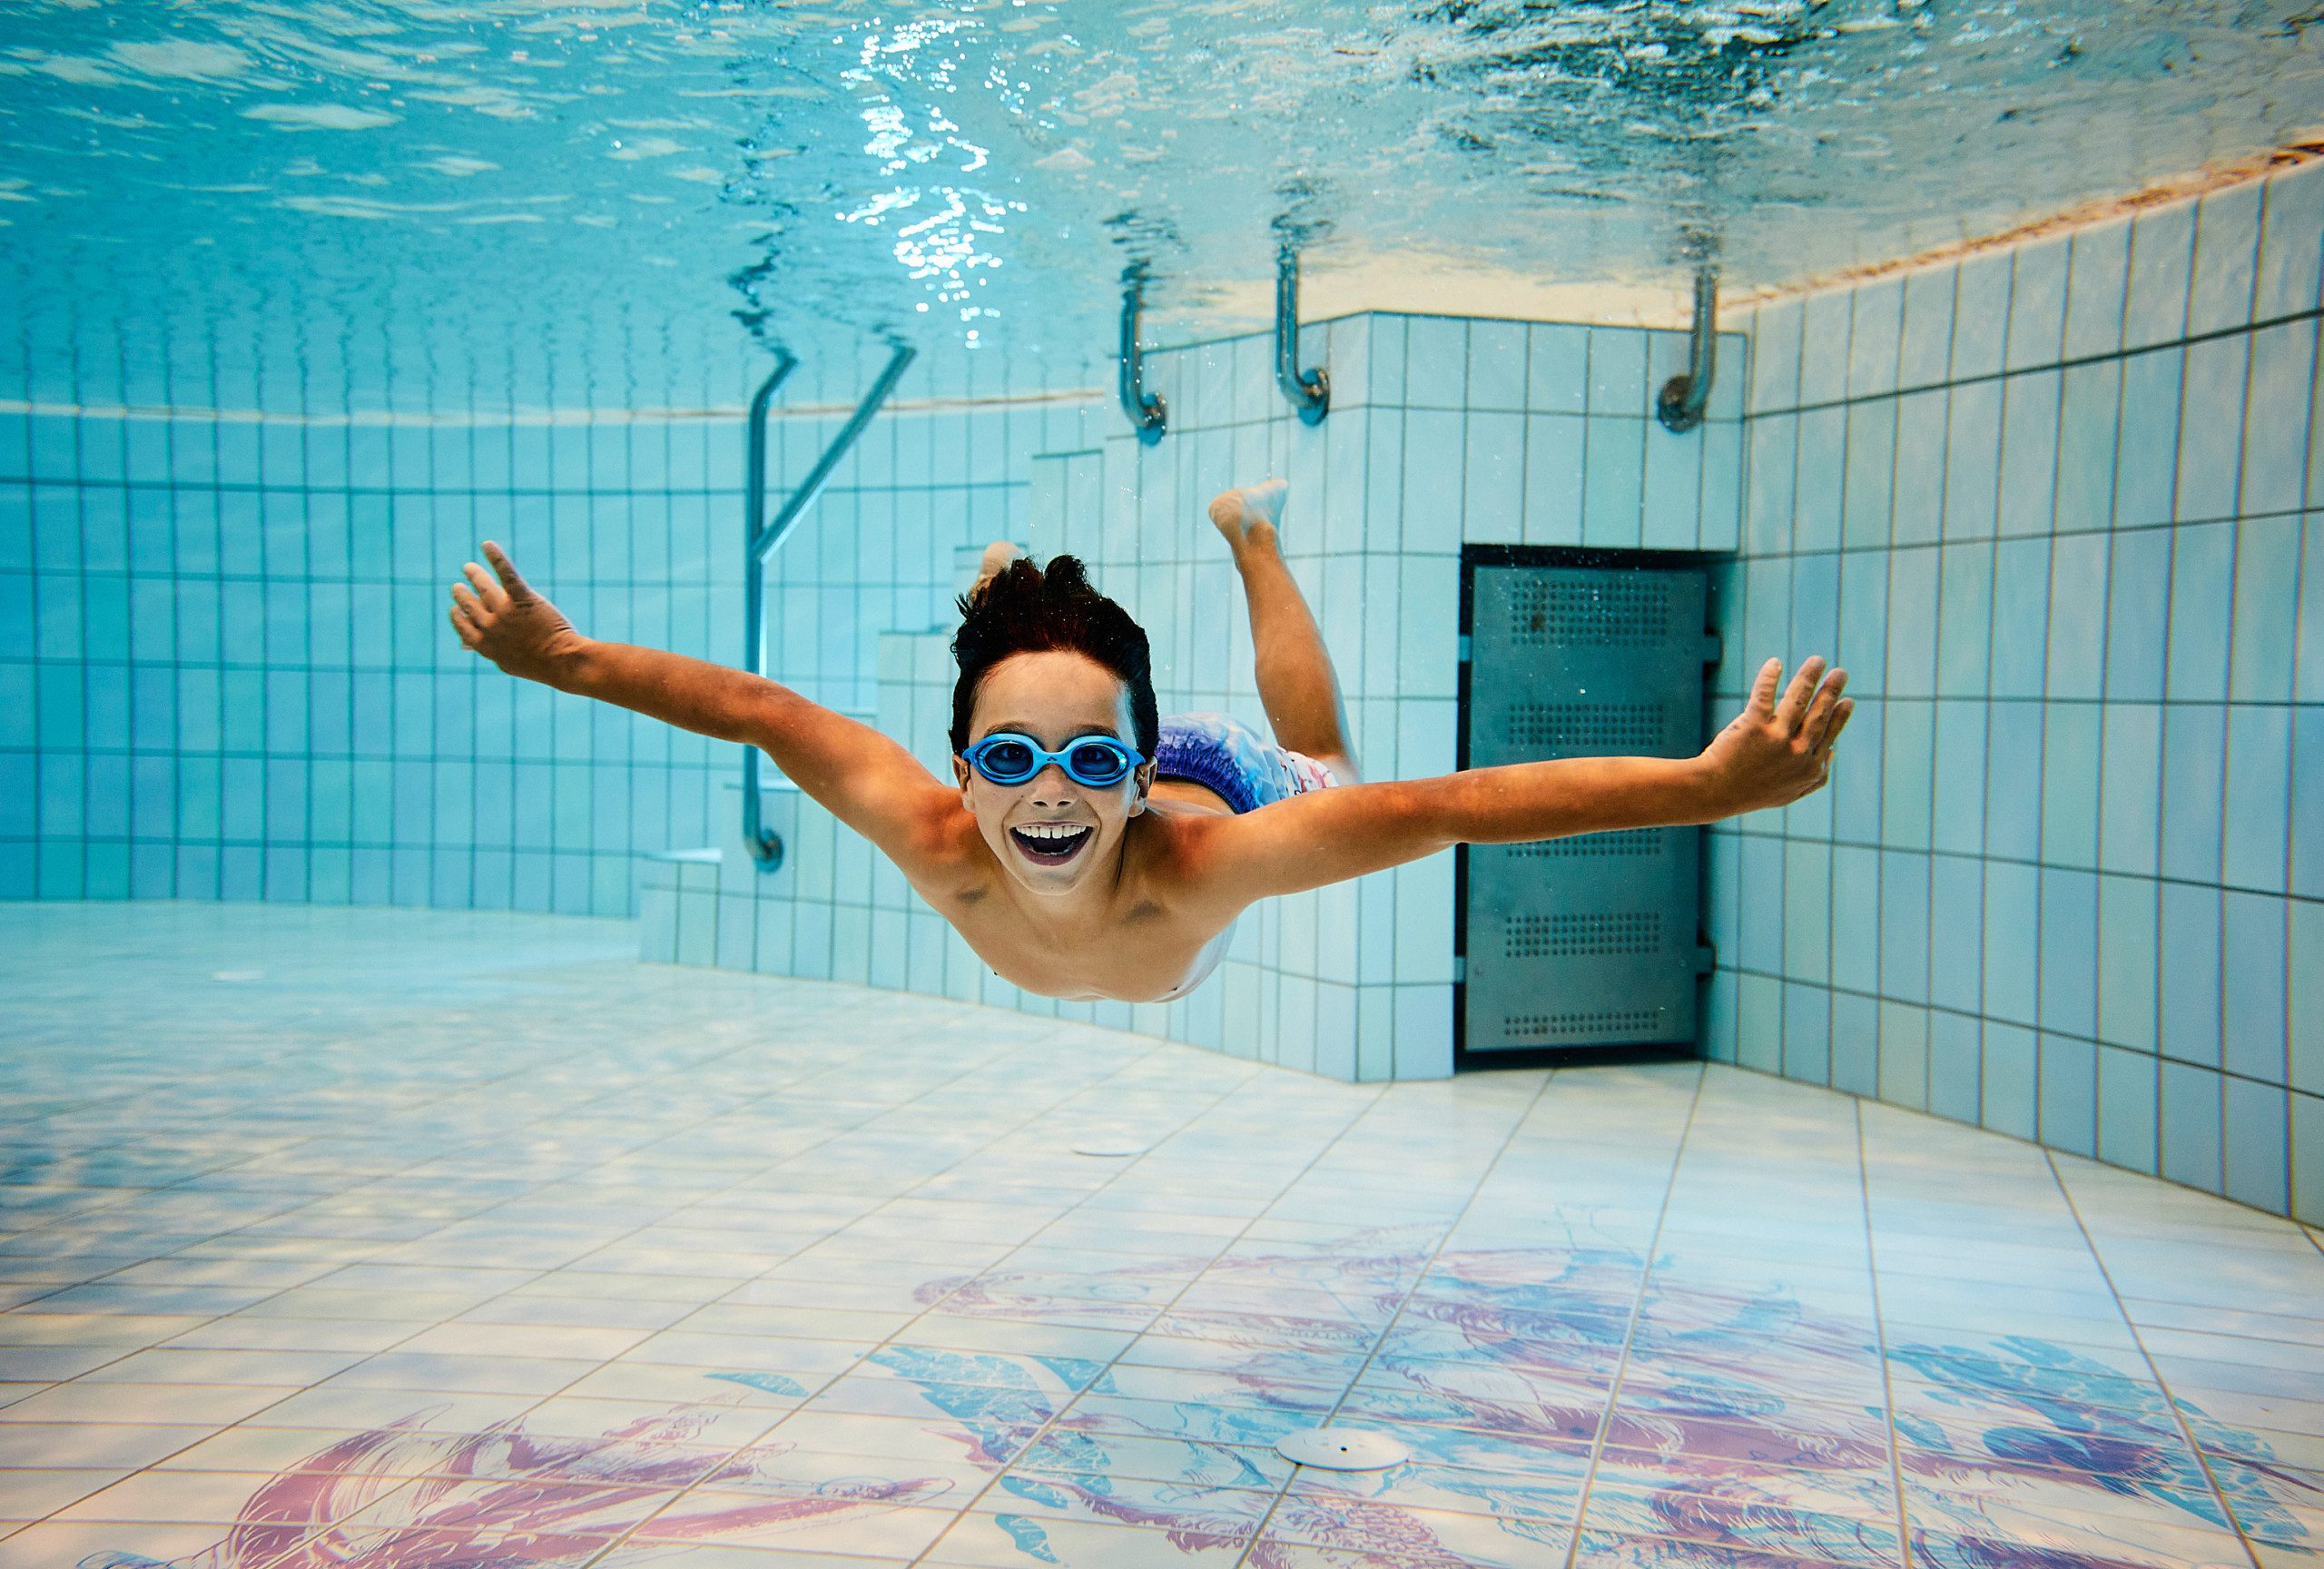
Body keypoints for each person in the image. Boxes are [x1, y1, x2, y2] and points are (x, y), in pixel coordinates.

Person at [449, 479, 1851, 1004]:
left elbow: (1458, 803)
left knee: (1331, 754)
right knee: (1042, 696)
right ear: (957, 773)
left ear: (1126, 772)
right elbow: (763, 710)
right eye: (1007, 762)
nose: (1047, 800)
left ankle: (1252, 537)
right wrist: (563, 659)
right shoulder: (937, 834)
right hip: (1137, 745)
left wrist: (1705, 783)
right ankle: (1007, 609)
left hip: (1211, 779)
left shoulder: (1208, 864)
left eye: (1083, 768)